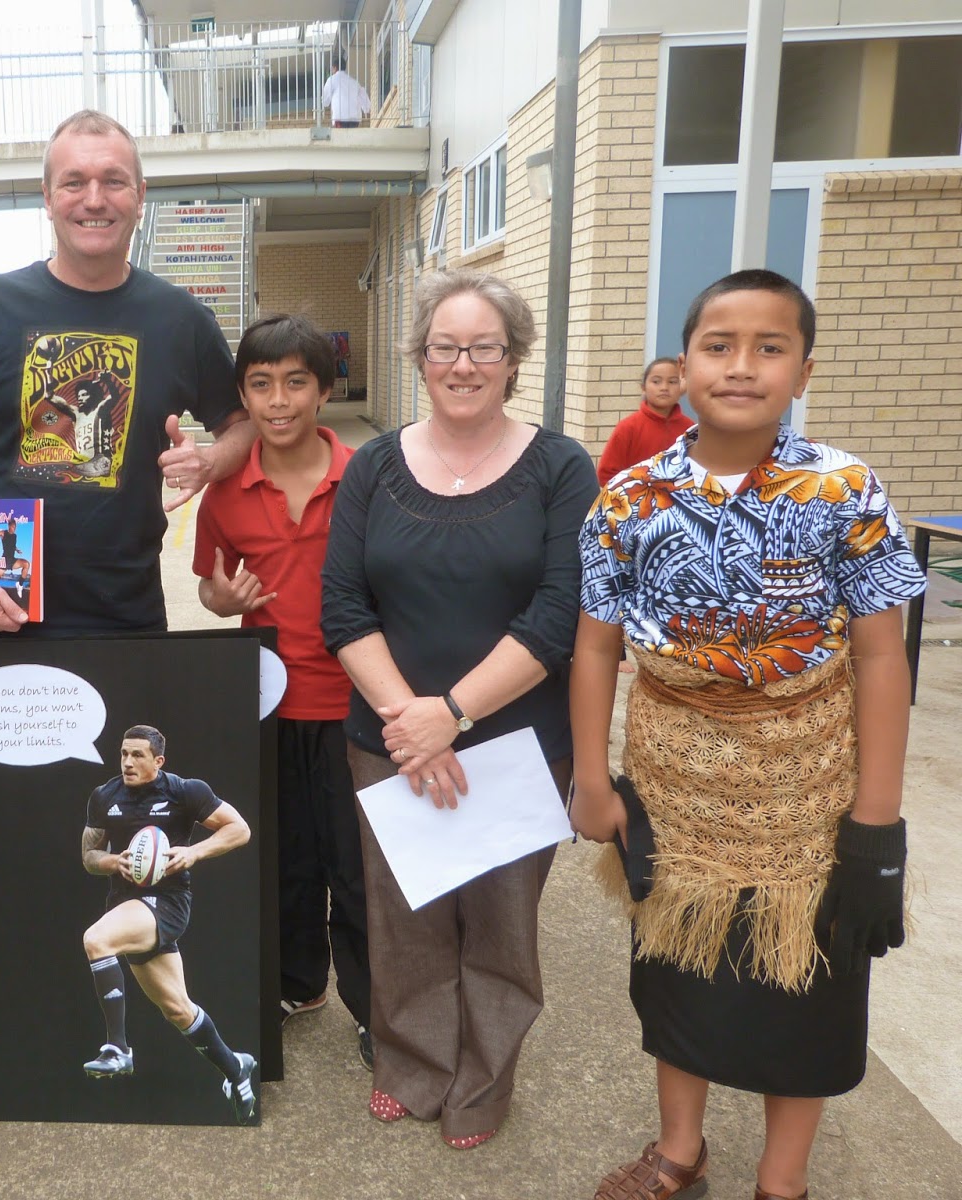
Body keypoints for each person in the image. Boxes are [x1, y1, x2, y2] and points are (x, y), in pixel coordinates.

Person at [570, 269, 926, 1200]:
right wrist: (591, 778)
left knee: (801, 983)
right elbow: (595, 648)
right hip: (673, 784)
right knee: (678, 973)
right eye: (717, 346)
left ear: (804, 368)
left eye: (769, 347)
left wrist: (876, 821)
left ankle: (783, 1179)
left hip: (808, 785)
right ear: (682, 366)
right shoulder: (629, 498)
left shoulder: (845, 488)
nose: (741, 365)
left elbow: (883, 658)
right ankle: (679, 1149)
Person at [320, 269, 597, 1148]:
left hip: (517, 744)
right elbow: (344, 609)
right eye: (447, 346)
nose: (464, 363)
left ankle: (482, 1082)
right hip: (390, 739)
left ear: (512, 360)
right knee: (407, 922)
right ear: (421, 355)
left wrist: (456, 714)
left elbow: (559, 615)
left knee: (502, 926)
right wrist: (413, 721)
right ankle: (413, 1065)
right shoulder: (373, 466)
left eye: (485, 347)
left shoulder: (559, 467)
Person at [0, 109, 255, 638]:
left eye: (113, 181)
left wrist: (209, 461)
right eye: (74, 182)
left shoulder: (182, 320)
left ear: (140, 197)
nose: (94, 199)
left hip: (125, 615)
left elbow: (243, 426)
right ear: (48, 198)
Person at [191, 314, 372, 1066]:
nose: (278, 399)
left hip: (357, 707)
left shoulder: (368, 475)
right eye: (261, 384)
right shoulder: (228, 490)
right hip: (268, 705)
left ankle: (373, 1005)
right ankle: (300, 983)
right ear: (243, 393)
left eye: (297, 381)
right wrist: (224, 602)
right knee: (286, 861)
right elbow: (209, 586)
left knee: (357, 866)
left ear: (326, 392)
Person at [79, 725, 258, 1124]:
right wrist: (112, 861)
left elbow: (239, 829)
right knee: (177, 1009)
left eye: (138, 755)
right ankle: (235, 1069)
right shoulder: (105, 797)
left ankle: (117, 1048)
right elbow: (89, 855)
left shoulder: (184, 791)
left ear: (158, 761)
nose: (127, 762)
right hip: (125, 903)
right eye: (124, 754)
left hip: (166, 903)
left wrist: (193, 853)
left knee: (97, 939)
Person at [595, 356, 691, 486]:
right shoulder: (628, 427)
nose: (664, 387)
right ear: (643, 387)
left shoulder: (690, 430)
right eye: (656, 382)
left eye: (673, 382)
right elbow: (606, 474)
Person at [320, 55, 372, 128]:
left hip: (340, 117)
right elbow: (365, 100)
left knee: (340, 137)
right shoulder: (355, 82)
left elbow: (325, 101)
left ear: (334, 67)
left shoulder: (332, 80)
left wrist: (325, 102)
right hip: (355, 119)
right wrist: (366, 109)